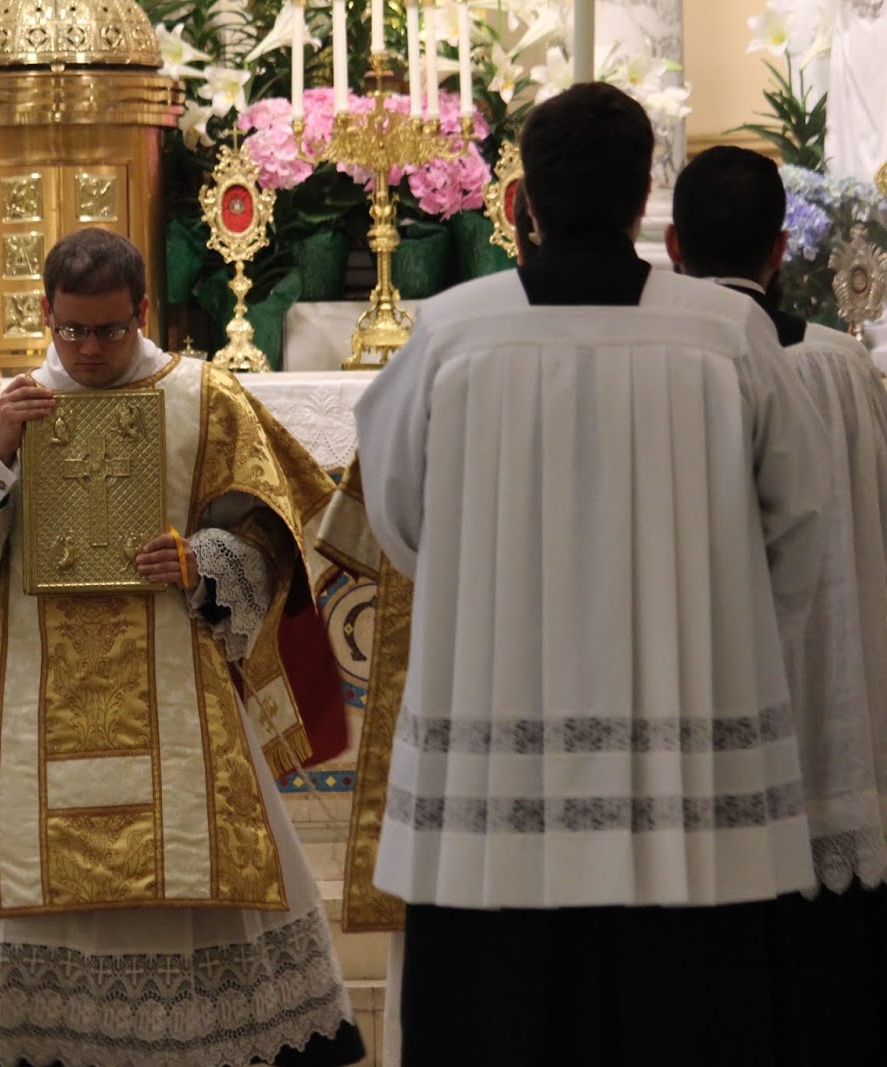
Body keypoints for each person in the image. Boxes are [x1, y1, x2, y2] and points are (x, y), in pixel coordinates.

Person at [350, 83, 830, 1067]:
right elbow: (801, 523)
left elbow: (396, 516)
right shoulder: (723, 333)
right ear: (644, 192)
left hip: (495, 753)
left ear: (519, 198)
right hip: (689, 758)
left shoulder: (449, 332)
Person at [0, 227, 363, 1067]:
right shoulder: (8, 406)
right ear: (46, 313)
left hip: (181, 690)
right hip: (32, 691)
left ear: (143, 311)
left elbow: (277, 533)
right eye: (72, 330)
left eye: (109, 329)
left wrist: (201, 561)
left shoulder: (205, 398)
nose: (91, 348)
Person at [668, 143, 887, 1066]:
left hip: (703, 732)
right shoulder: (842, 368)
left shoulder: (664, 366)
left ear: (672, 247)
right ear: (781, 248)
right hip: (833, 703)